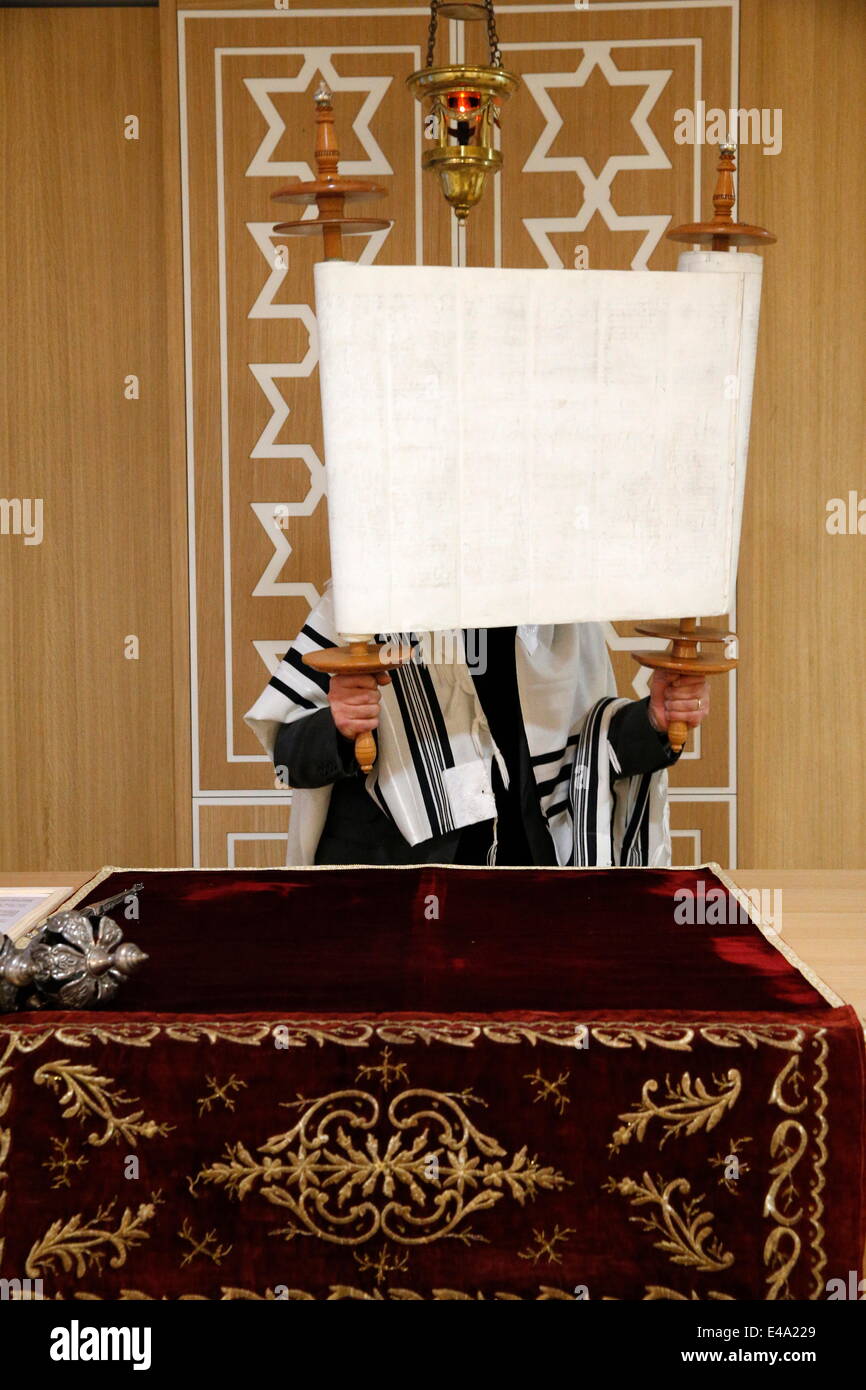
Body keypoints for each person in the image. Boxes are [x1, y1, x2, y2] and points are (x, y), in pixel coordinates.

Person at [245, 584, 709, 869]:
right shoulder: (362, 605)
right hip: (391, 886)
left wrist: (654, 720)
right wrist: (339, 726)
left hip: (528, 885)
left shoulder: (560, 616)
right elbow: (289, 755)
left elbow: (592, 749)